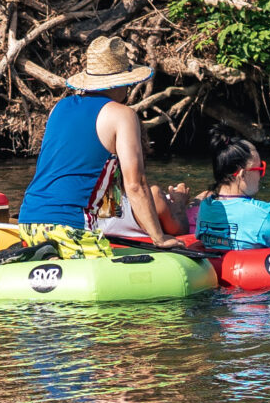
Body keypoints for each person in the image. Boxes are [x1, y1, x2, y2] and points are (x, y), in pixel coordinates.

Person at [16, 36, 184, 255]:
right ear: (123, 81)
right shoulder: (123, 114)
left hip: (28, 223)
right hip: (69, 227)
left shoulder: (60, 107)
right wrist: (159, 238)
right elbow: (135, 184)